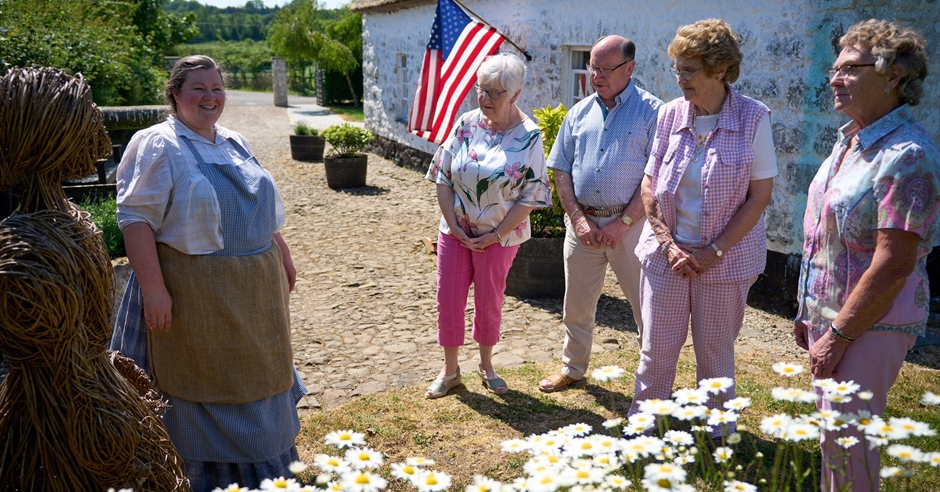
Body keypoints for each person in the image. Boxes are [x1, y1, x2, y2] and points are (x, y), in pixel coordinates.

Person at [110, 55, 306, 492]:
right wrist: (154, 289)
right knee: (198, 380)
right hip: (193, 297)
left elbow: (265, 216)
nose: (210, 97)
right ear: (176, 94)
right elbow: (136, 219)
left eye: (217, 88)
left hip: (255, 294)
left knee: (258, 377)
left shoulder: (233, 141)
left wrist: (284, 257)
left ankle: (267, 477)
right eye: (199, 88)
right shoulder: (159, 143)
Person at [792, 20, 938, 492]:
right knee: (836, 438)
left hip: (871, 322)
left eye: (850, 69)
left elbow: (894, 262)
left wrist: (836, 333)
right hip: (830, 312)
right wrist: (807, 309)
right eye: (834, 69)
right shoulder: (850, 140)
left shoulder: (907, 155)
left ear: (893, 74)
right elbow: (822, 234)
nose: (834, 79)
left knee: (850, 442)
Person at [629, 19, 777, 431]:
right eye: (677, 68)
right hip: (667, 257)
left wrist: (714, 250)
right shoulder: (669, 115)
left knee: (714, 351)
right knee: (656, 349)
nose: (680, 79)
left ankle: (715, 432)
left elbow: (758, 197)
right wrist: (668, 244)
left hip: (724, 261)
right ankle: (645, 425)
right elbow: (649, 183)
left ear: (721, 70)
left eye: (689, 69)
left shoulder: (753, 119)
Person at [539, 35, 662, 392]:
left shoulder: (653, 112)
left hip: (634, 228)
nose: (596, 75)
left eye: (606, 69)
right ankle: (573, 367)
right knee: (575, 306)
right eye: (593, 66)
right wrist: (578, 218)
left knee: (646, 310)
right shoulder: (579, 111)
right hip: (583, 227)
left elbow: (656, 179)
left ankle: (652, 380)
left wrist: (624, 222)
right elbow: (560, 167)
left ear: (630, 68)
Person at [425, 53, 551, 398]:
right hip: (456, 232)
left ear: (516, 94)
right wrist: (454, 224)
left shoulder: (529, 136)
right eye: (481, 89)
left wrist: (495, 234)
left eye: (495, 93)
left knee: (489, 300)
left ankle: (486, 365)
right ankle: (450, 371)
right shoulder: (466, 122)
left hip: (500, 236)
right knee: (447, 299)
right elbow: (442, 176)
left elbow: (530, 196)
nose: (485, 99)